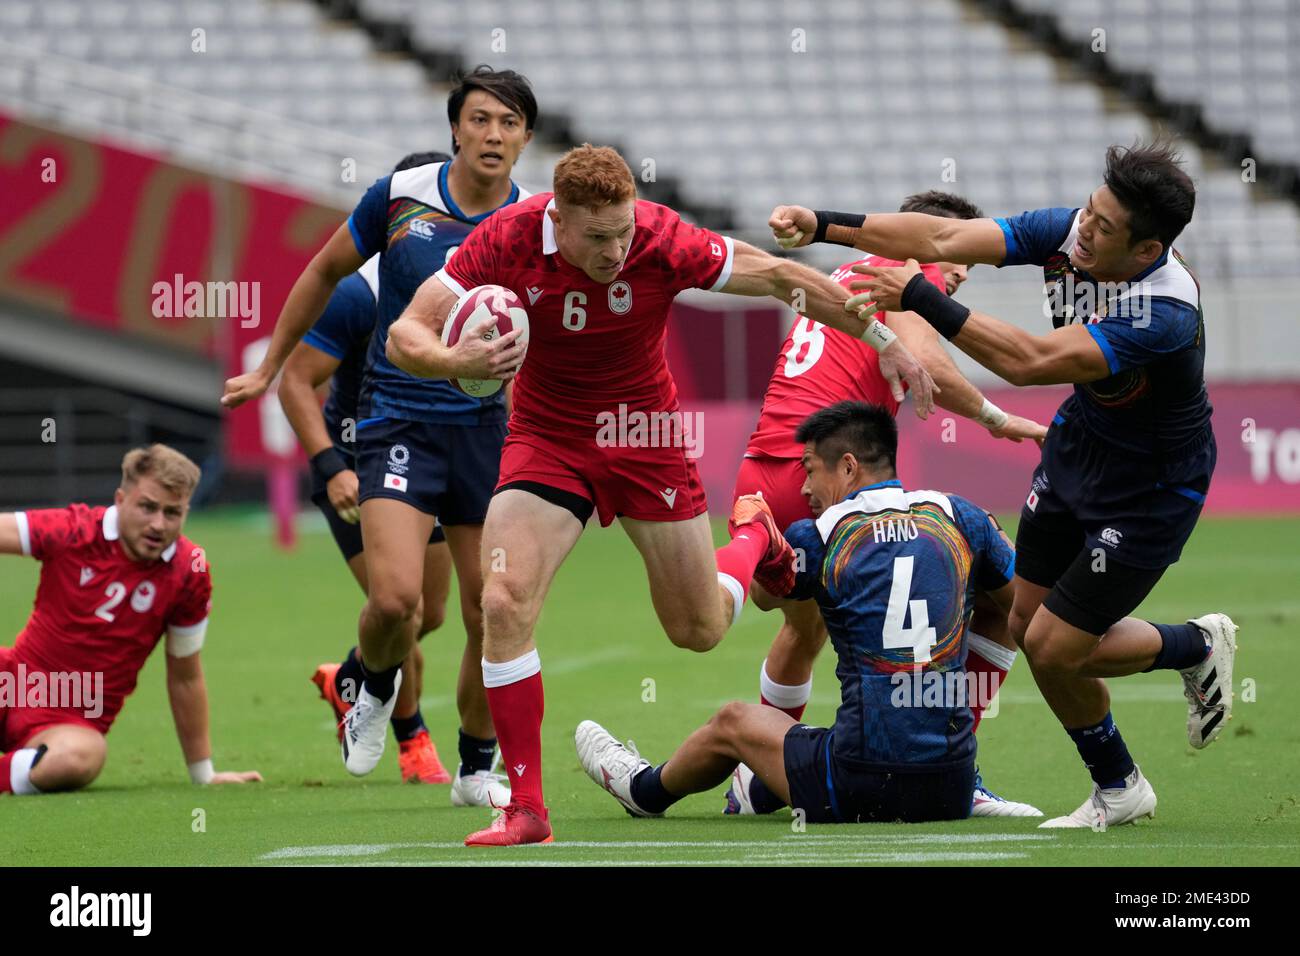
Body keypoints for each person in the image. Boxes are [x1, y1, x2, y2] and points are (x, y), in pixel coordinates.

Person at [385, 144, 937, 845]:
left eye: (623, 231)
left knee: (698, 630)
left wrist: (880, 336)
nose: (616, 248)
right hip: (547, 440)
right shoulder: (508, 237)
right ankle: (526, 808)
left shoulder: (661, 237)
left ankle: (756, 539)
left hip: (646, 438)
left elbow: (777, 276)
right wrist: (452, 361)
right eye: (597, 236)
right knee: (501, 597)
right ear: (558, 217)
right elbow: (407, 331)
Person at [771, 139, 1237, 827]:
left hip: (1150, 491)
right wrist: (822, 222)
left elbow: (1031, 360)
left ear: (1145, 251)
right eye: (1089, 210)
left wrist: (921, 295)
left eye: (1104, 228)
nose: (1085, 228)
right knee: (1023, 620)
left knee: (1054, 645)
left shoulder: (1163, 312)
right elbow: (942, 233)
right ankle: (1125, 781)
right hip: (1079, 450)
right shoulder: (1075, 232)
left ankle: (1189, 659)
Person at [222, 67, 538, 795]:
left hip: (486, 434)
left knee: (492, 611)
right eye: (481, 120)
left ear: (525, 137)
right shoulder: (398, 200)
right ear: (455, 128)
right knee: (398, 602)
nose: (494, 134)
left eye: (510, 123)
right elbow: (322, 269)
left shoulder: (534, 221)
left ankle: (474, 769)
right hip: (398, 422)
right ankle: (367, 688)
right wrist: (271, 366)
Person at [738, 190, 1044, 816]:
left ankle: (756, 784)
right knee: (999, 602)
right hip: (832, 479)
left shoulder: (847, 271)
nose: (961, 271)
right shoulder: (904, 273)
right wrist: (997, 418)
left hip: (772, 466)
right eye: (960, 255)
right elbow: (929, 365)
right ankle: (955, 762)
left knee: (802, 627)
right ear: (928, 238)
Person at [576, 402, 1016, 825]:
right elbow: (1019, 604)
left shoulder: (820, 534)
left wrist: (757, 534)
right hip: (950, 786)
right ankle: (764, 788)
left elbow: (766, 599)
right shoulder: (962, 516)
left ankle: (643, 789)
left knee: (733, 721)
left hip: (857, 782)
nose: (804, 489)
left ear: (847, 467)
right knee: (1002, 616)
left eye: (808, 469)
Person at [0, 445, 261, 795]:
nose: (158, 524)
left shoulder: (189, 572)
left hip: (73, 724)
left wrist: (204, 773)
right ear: (120, 499)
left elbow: (185, 676)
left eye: (173, 512)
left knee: (81, 758)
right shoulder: (76, 529)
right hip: (12, 683)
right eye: (148, 507)